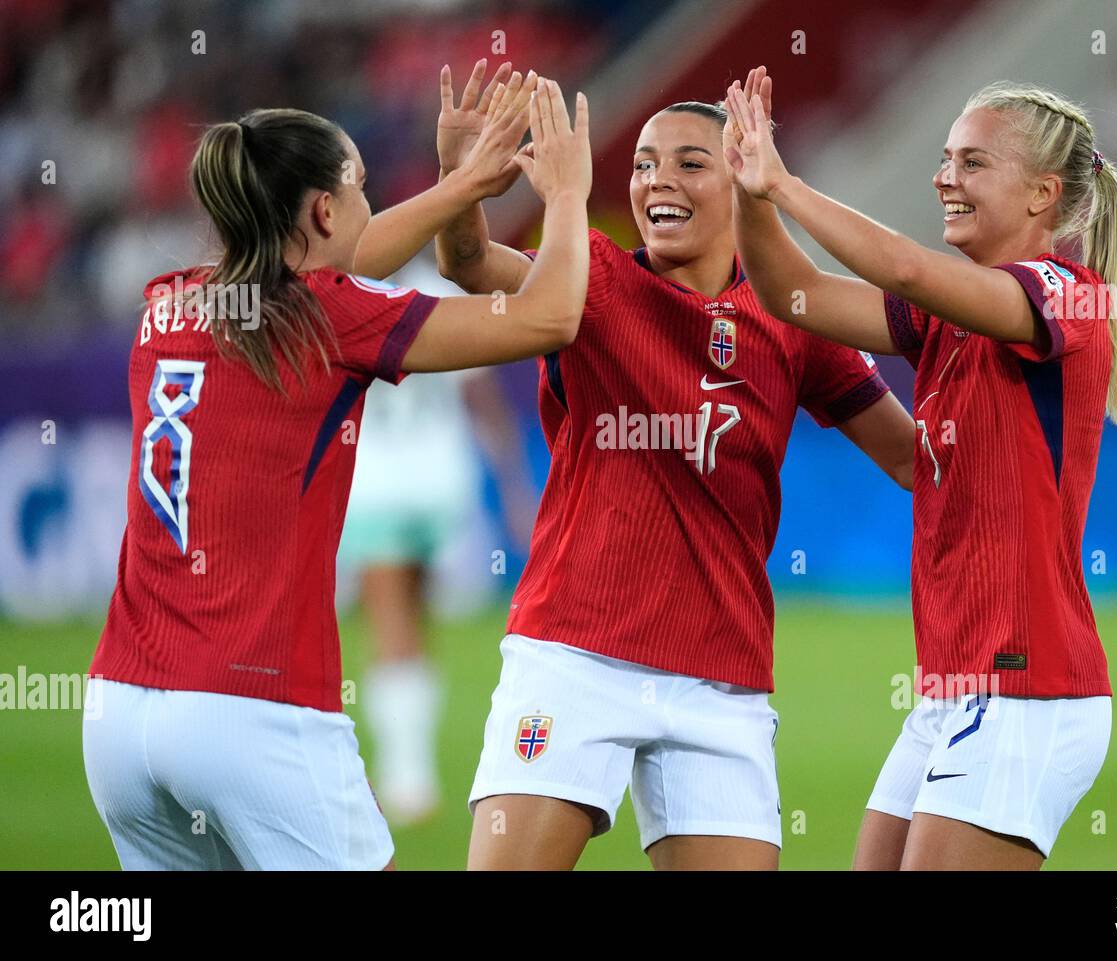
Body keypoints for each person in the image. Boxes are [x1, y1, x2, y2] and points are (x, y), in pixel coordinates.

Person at [82, 74, 592, 869]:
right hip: (253, 707)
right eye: (356, 189)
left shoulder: (169, 303)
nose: (364, 206)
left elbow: (330, 268)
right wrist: (564, 194)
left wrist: (457, 186)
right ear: (323, 209)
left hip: (118, 713)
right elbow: (551, 316)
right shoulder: (332, 318)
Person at [435, 64, 915, 870]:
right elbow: (469, 265)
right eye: (643, 164)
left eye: (689, 162)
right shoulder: (592, 277)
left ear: (741, 176)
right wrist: (460, 178)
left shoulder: (794, 318)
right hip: (574, 652)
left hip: (718, 674)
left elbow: (913, 458)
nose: (658, 180)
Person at [724, 67, 1117, 869]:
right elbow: (796, 297)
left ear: (1041, 196)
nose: (944, 176)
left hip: (1027, 689)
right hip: (955, 689)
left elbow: (908, 269)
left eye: (973, 162)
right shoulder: (949, 316)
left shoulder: (1066, 294)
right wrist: (750, 189)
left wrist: (787, 183)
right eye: (947, 156)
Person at [339, 259, 538, 825]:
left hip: (376, 482)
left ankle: (406, 776)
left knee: (388, 624)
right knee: (416, 619)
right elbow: (483, 395)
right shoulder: (437, 289)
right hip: (440, 480)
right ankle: (411, 767)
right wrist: (514, 485)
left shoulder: (349, 287)